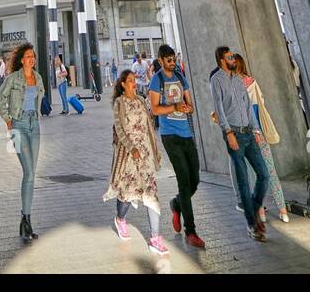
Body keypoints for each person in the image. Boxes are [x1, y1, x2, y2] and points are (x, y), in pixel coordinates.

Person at [104, 69, 169, 257]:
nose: (134, 82)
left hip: (146, 153)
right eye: (130, 80)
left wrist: (154, 151)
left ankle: (155, 238)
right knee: (126, 192)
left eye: (134, 80)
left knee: (151, 193)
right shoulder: (119, 103)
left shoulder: (141, 100)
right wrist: (131, 148)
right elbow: (120, 128)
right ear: (123, 84)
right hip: (129, 154)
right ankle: (120, 218)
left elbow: (149, 126)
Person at [210, 46, 270, 242]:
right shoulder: (216, 80)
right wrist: (228, 133)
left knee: (264, 174)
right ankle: (252, 224)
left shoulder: (238, 79)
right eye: (229, 57)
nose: (233, 58)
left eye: (233, 56)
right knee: (244, 181)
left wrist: (256, 130)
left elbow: (247, 105)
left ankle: (253, 207)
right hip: (233, 133)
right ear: (221, 60)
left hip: (249, 133)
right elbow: (219, 108)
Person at [149, 44, 204, 249]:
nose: (172, 63)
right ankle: (191, 231)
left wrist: (188, 108)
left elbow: (190, 105)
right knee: (183, 181)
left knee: (194, 181)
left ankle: (176, 204)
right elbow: (154, 109)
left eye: (173, 59)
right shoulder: (157, 80)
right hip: (170, 135)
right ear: (161, 61)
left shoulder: (181, 78)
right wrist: (174, 107)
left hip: (187, 133)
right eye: (168, 60)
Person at [230, 53, 289, 223]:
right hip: (259, 133)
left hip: (243, 134)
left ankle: (260, 212)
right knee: (270, 171)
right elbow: (259, 106)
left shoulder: (231, 86)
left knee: (254, 174)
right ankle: (283, 210)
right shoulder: (252, 82)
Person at [0, 42, 45, 241]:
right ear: (21, 59)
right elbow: (1, 97)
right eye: (27, 56)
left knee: (32, 174)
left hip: (35, 125)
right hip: (18, 125)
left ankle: (26, 219)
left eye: (32, 56)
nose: (31, 59)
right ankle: (25, 220)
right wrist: (8, 119)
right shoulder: (13, 78)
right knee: (29, 172)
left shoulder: (38, 77)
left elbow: (38, 101)